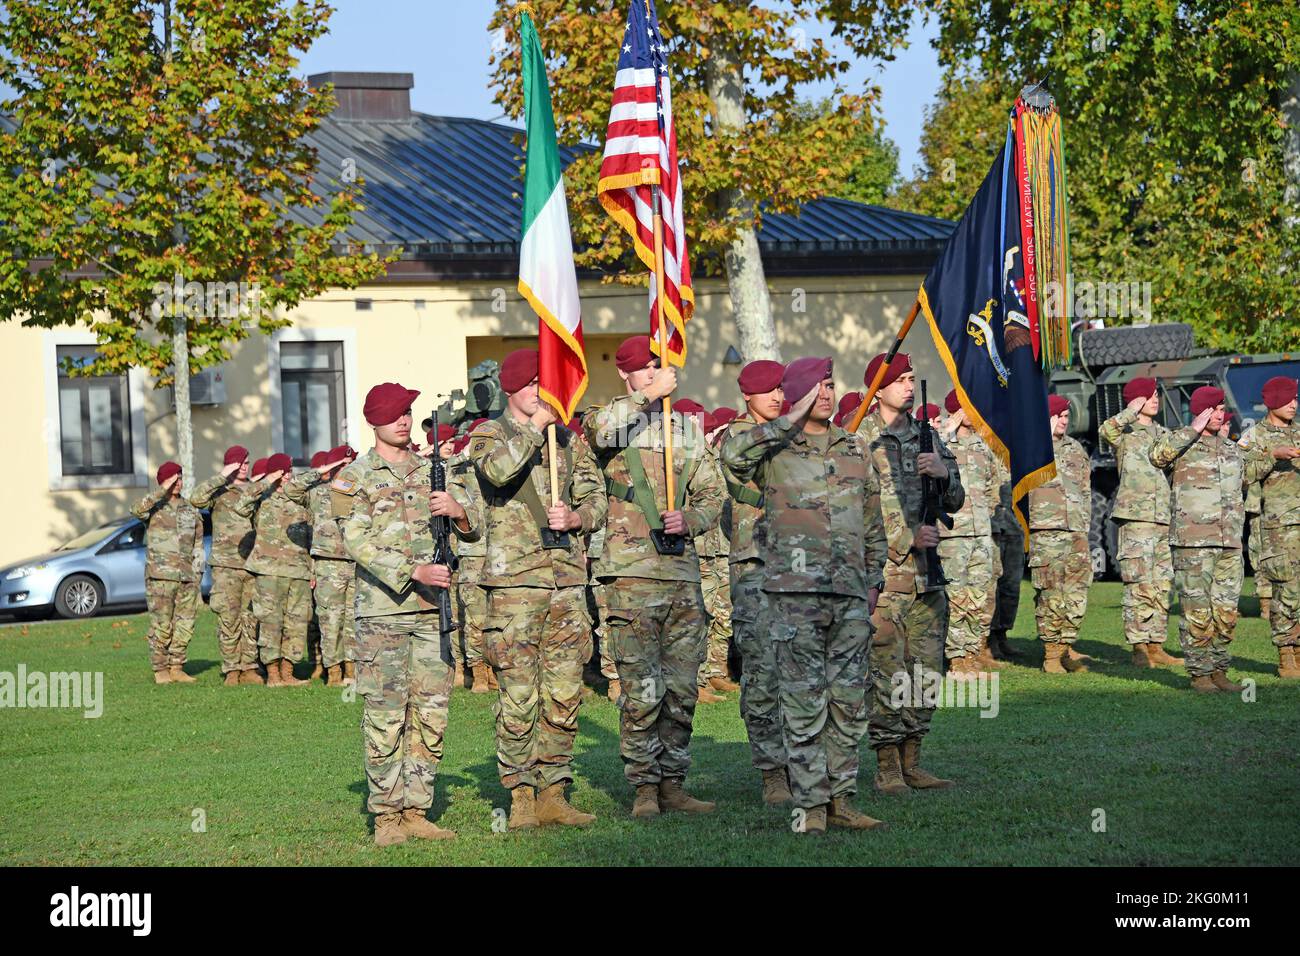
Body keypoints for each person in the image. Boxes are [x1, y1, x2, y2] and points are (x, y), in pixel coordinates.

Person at [722, 357, 888, 834]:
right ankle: (810, 805)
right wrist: (787, 418)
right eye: (818, 387)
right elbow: (733, 458)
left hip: (850, 595)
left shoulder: (854, 448)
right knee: (802, 702)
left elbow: (873, 522)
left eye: (832, 386)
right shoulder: (774, 451)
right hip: (794, 597)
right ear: (797, 396)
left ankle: (843, 800)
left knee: (849, 702)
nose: (829, 394)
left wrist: (873, 580)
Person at [583, 335, 725, 819]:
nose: (650, 375)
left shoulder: (684, 429)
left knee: (682, 687)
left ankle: (673, 783)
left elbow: (712, 492)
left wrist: (694, 519)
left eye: (655, 368)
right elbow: (599, 433)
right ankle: (644, 786)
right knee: (641, 689)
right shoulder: (610, 420)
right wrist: (646, 396)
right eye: (642, 370)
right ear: (626, 375)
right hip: (631, 575)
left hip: (682, 573)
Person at [468, 348, 608, 829]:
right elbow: (496, 473)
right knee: (519, 695)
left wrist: (577, 517)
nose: (543, 394)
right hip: (515, 587)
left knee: (565, 693)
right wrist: (534, 428)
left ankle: (554, 791)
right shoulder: (488, 434)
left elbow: (597, 498)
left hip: (566, 583)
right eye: (533, 386)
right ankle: (521, 794)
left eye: (545, 386)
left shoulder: (568, 441)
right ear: (512, 389)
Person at [336, 382, 478, 845]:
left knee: (432, 713)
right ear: (374, 420)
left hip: (431, 614)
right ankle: (387, 817)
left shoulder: (434, 470)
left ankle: (418, 809)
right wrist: (411, 569)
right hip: (383, 615)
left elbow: (474, 527)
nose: (404, 420)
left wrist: (458, 512)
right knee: (385, 715)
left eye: (408, 412)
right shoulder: (354, 478)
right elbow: (355, 540)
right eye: (395, 413)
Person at [858, 353, 964, 794]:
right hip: (884, 576)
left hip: (927, 576)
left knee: (925, 671)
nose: (906, 386)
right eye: (898, 380)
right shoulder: (858, 440)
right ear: (877, 389)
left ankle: (913, 760)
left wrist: (942, 474)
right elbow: (850, 508)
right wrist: (905, 539)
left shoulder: (929, 437)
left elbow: (955, 501)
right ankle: (886, 768)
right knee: (886, 671)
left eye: (909, 379)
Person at [723, 358, 792, 805]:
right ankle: (772, 773)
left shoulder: (796, 434)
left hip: (801, 566)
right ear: (748, 396)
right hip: (756, 568)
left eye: (783, 389)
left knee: (803, 671)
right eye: (769, 391)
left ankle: (806, 763)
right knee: (763, 672)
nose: (779, 397)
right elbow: (741, 463)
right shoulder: (737, 438)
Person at [1150, 386, 1246, 693]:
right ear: (1202, 410)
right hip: (1193, 543)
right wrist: (1191, 430)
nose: (1220, 414)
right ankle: (1200, 674)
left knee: (1226, 612)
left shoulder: (1231, 449)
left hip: (1229, 542)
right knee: (1197, 612)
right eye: (1215, 408)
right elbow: (1156, 456)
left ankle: (1219, 670)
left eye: (1221, 409)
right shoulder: (1181, 443)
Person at [1097, 378, 1180, 667]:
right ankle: (1139, 649)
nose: (1155, 399)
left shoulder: (1163, 433)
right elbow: (1105, 430)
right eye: (1148, 395)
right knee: (1138, 584)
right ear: (1135, 401)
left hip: (1161, 517)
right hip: (1135, 518)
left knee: (1161, 584)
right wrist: (1129, 412)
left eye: (1156, 394)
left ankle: (1157, 645)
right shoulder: (1125, 432)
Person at [234, 452, 330, 687]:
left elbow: (311, 536)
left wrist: (313, 569)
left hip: (298, 570)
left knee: (297, 623)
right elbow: (240, 506)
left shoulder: (300, 498)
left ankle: (288, 672)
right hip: (268, 571)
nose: (286, 476)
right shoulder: (261, 496)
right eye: (282, 471)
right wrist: (268, 480)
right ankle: (273, 675)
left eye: (288, 471)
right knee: (270, 622)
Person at [938, 391, 1003, 675]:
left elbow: (993, 486)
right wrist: (945, 434)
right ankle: (956, 658)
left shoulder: (981, 446)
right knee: (955, 596)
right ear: (958, 412)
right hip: (952, 534)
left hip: (980, 533)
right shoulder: (940, 442)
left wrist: (983, 516)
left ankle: (972, 652)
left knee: (978, 595)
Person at [1028, 394, 1093, 674]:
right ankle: (1051, 656)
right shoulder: (1032, 448)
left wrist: (1084, 525)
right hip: (1047, 531)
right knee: (1051, 595)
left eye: (1067, 416)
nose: (1064, 421)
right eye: (1059, 416)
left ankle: (1066, 647)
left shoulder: (1076, 449)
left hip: (1076, 530)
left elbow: (1086, 489)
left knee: (1076, 595)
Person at [676, 397, 735, 704]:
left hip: (717, 546)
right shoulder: (680, 456)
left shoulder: (710, 454)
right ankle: (695, 681)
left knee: (718, 613)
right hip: (694, 547)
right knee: (696, 616)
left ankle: (714, 671)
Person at [1242, 376, 1300, 679]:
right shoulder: (1255, 436)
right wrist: (1272, 456)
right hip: (1279, 528)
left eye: (1295, 398)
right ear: (1273, 401)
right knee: (1285, 591)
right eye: (1288, 398)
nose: (1294, 404)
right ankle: (1286, 654)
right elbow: (1239, 473)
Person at [190, 446, 263, 685]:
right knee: (228, 618)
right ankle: (232, 668)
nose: (245, 466)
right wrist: (223, 475)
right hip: (225, 565)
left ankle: (250, 667)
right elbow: (196, 498)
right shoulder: (219, 490)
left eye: (246, 462)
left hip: (251, 563)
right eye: (240, 463)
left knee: (250, 618)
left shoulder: (255, 489)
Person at [287, 445, 355, 686]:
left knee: (354, 621)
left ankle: (352, 672)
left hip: (358, 563)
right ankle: (334, 672)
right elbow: (291, 489)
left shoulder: (359, 491)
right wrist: (321, 470)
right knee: (330, 620)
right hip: (329, 564)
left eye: (351, 464)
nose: (349, 469)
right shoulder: (318, 492)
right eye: (344, 465)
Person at [131, 462, 204, 684]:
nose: (178, 483)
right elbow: (136, 509)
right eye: (173, 479)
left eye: (180, 478)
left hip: (187, 578)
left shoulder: (190, 509)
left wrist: (198, 572)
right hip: (160, 578)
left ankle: (176, 666)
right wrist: (162, 490)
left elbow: (198, 543)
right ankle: (160, 668)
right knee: (161, 625)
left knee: (185, 624)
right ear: (163, 481)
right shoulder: (153, 507)